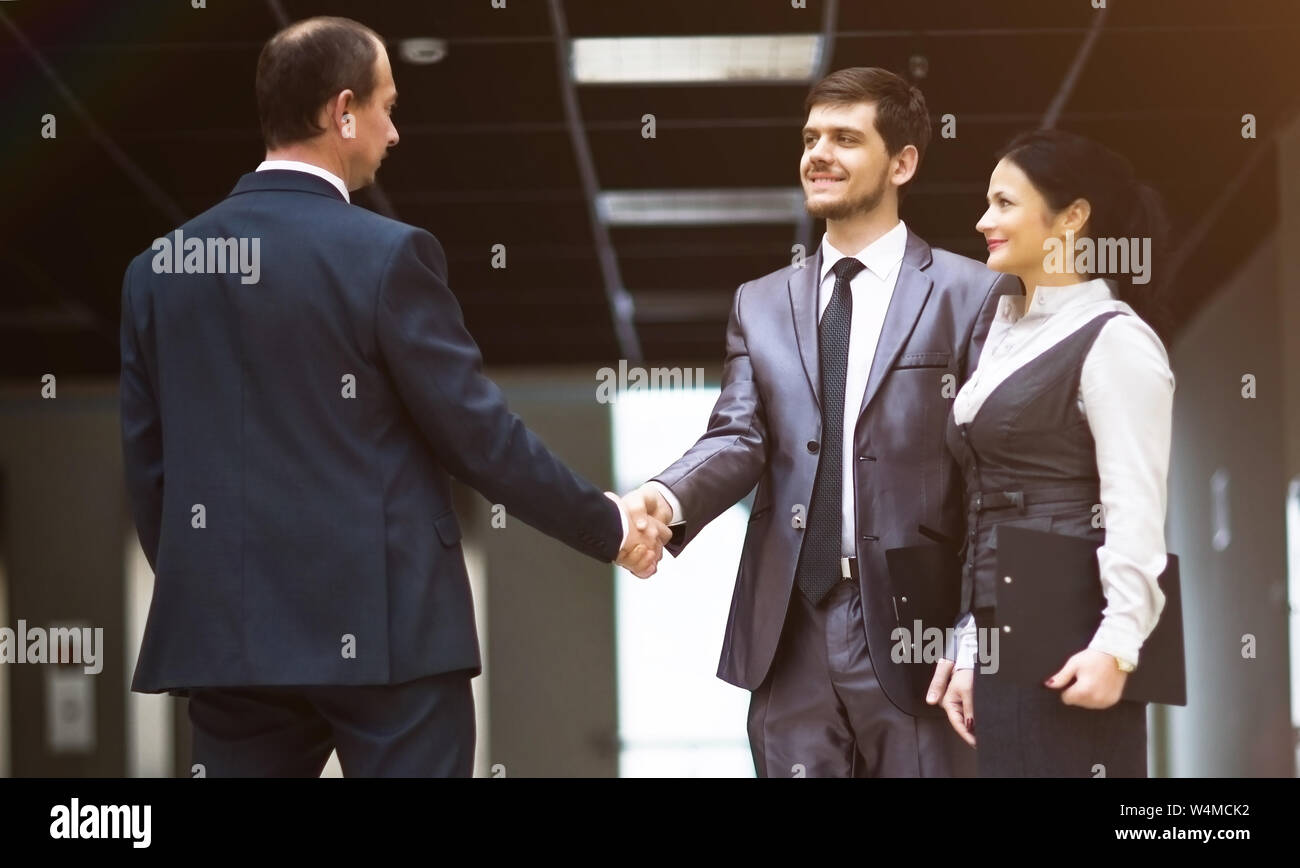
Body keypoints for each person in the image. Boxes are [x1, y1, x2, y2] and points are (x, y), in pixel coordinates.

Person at [118, 16, 669, 777]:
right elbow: (477, 435)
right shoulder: (386, 255)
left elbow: (150, 472)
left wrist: (213, 581)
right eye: (387, 105)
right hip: (389, 636)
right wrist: (607, 525)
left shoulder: (158, 271)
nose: (395, 132)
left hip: (229, 643)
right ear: (342, 112)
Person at [623, 67, 1020, 777]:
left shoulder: (975, 295)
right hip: (789, 630)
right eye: (810, 138)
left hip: (915, 630)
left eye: (845, 138)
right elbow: (739, 437)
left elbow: (990, 475)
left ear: (903, 163)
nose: (818, 154)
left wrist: (979, 622)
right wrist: (668, 495)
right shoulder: (759, 302)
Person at [929, 128, 1175, 777]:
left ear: (1073, 216)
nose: (984, 220)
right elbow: (986, 510)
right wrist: (972, 642)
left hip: (1073, 636)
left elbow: (1135, 511)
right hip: (1008, 629)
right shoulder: (1001, 334)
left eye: (1005, 203)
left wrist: (1118, 648)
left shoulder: (1116, 339)